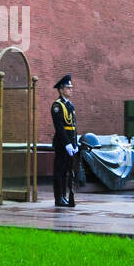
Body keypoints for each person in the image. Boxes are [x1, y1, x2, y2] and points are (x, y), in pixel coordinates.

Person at [51, 75, 79, 207]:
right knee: (59, 172)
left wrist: (75, 143)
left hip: (70, 144)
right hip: (62, 145)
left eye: (71, 87)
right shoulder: (57, 106)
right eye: (68, 88)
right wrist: (67, 144)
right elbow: (60, 127)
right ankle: (59, 198)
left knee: (67, 172)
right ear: (61, 90)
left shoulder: (70, 106)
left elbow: (73, 126)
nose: (71, 90)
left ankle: (64, 196)